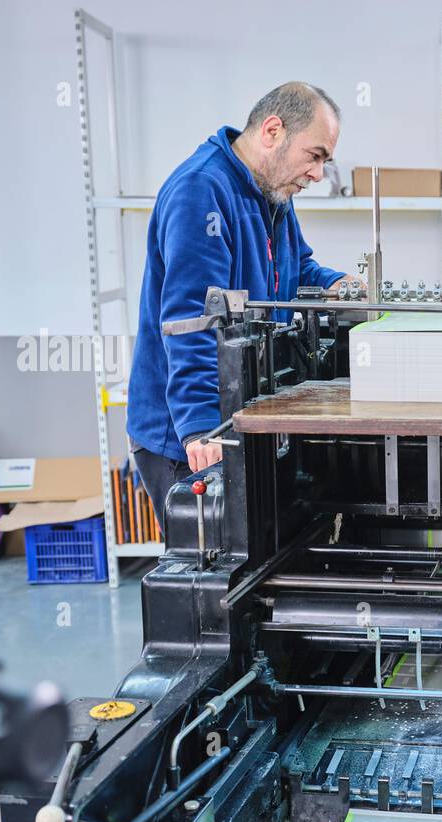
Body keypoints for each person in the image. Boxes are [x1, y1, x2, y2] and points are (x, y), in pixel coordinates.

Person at [127, 81, 358, 526]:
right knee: (213, 578)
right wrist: (200, 429)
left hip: (242, 413)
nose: (317, 174)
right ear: (273, 130)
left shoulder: (272, 193)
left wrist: (344, 286)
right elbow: (193, 318)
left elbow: (295, 271)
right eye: (315, 156)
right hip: (187, 438)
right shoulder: (202, 192)